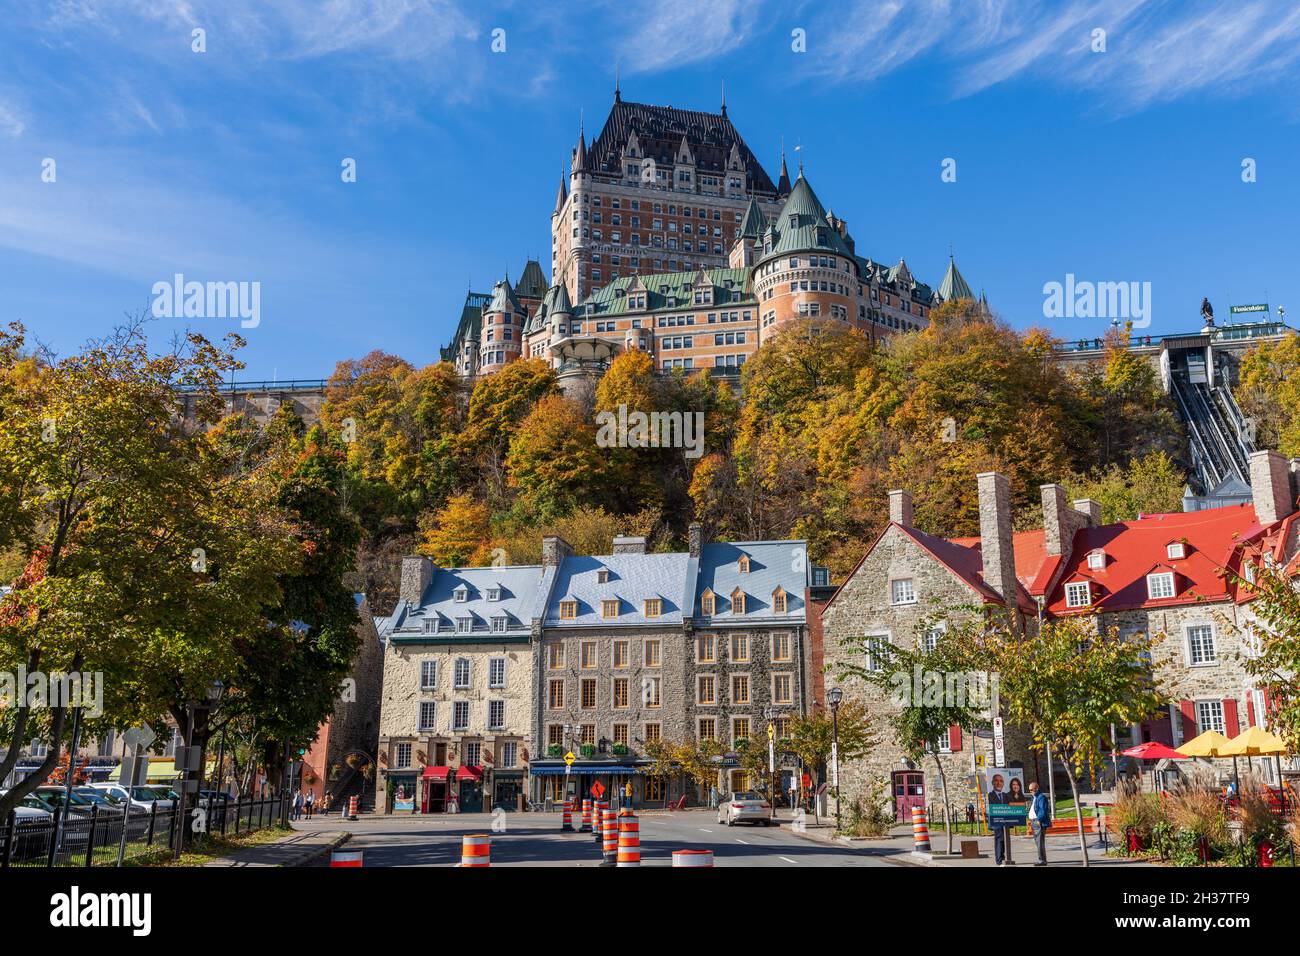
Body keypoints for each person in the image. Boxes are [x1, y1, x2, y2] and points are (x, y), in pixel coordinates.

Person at [987, 774, 1009, 865]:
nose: (999, 783)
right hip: (996, 821)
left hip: (1005, 821)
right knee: (999, 840)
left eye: (1001, 781)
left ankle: (1003, 856)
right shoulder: (990, 795)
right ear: (992, 783)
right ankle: (998, 860)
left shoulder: (1006, 795)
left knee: (1004, 840)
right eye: (996, 781)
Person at [1027, 782, 1050, 866]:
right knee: (1038, 842)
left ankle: (1042, 860)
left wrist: (1039, 820)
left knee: (1040, 842)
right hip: (1034, 821)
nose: (1031, 791)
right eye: (1029, 790)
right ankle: (1042, 859)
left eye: (1032, 790)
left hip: (1038, 822)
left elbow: (1043, 810)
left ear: (1037, 788)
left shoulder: (1041, 797)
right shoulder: (1035, 798)